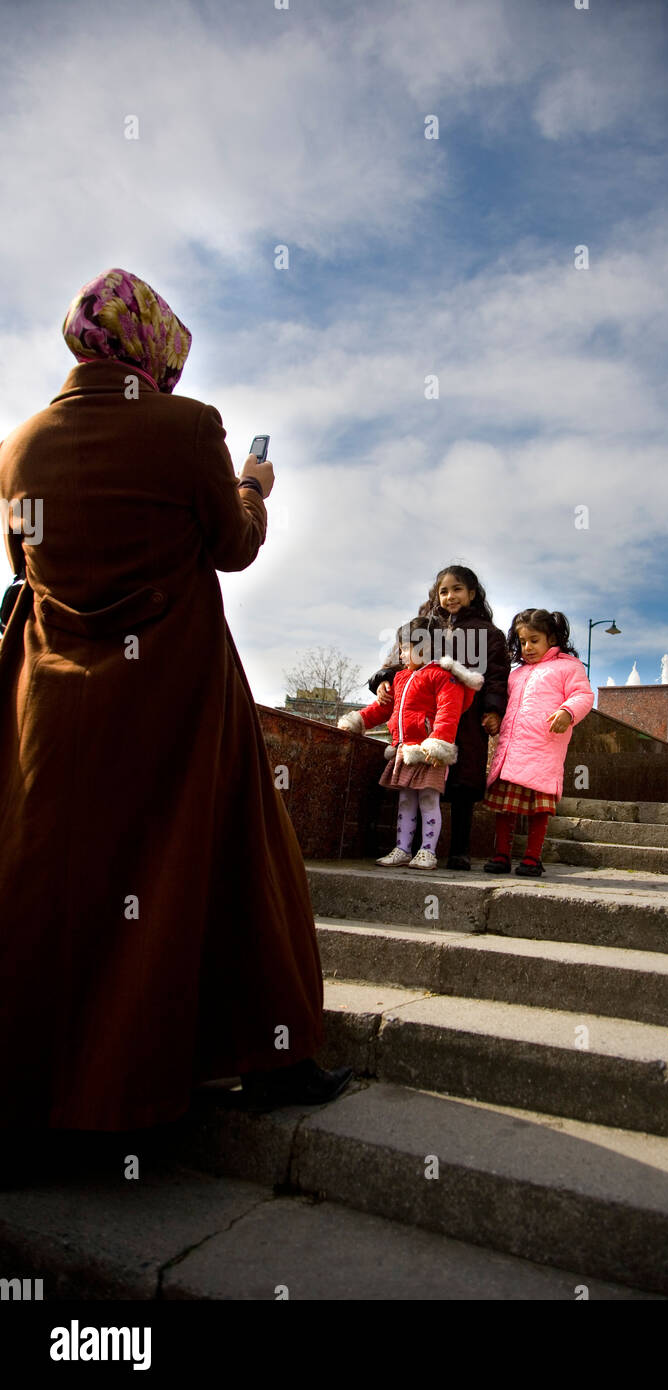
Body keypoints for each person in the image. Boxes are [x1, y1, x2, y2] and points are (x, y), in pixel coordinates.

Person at [0, 267, 350, 1132]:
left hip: (50, 698)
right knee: (233, 855)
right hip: (175, 688)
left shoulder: (19, 446)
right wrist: (254, 490)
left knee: (53, 873)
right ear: (153, 347)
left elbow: (25, 571)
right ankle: (270, 1059)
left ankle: (44, 1085)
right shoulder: (190, 429)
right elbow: (231, 548)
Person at [367, 565, 509, 868]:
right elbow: (402, 660)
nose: (450, 596)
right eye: (443, 591)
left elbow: (497, 675)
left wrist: (494, 709)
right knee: (419, 784)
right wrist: (382, 678)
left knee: (462, 787)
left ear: (472, 593)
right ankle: (415, 847)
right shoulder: (425, 626)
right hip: (423, 721)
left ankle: (459, 849)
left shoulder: (487, 634)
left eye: (457, 589)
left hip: (467, 719)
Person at [339, 615, 483, 869]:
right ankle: (403, 848)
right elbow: (381, 709)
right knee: (405, 800)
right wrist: (357, 720)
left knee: (429, 800)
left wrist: (439, 743)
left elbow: (448, 713)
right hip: (405, 752)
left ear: (424, 647)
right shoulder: (400, 678)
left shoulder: (443, 677)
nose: (401, 654)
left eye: (404, 648)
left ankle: (428, 851)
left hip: (429, 752)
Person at [483, 609, 594, 877]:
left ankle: (532, 858)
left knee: (538, 810)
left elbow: (584, 695)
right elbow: (510, 704)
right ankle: (501, 855)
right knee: (504, 807)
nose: (527, 647)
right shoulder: (516, 674)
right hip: (511, 749)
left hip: (543, 749)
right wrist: (496, 719)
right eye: (522, 642)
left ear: (552, 638)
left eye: (534, 640)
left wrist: (567, 712)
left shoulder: (569, 667)